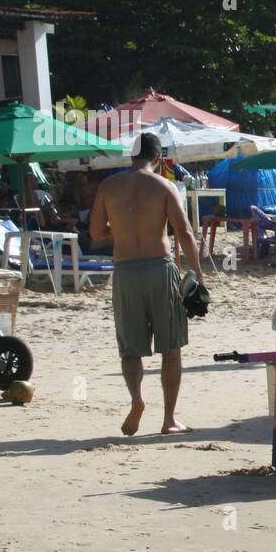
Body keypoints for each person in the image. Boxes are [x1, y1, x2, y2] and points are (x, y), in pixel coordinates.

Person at [89, 133, 204, 436]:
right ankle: (168, 419)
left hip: (125, 271)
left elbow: (97, 233)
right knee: (171, 346)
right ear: (159, 157)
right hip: (159, 268)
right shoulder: (164, 186)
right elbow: (185, 233)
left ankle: (137, 399)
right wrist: (198, 274)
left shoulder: (108, 186)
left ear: (131, 155)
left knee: (130, 347)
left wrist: (125, 230)